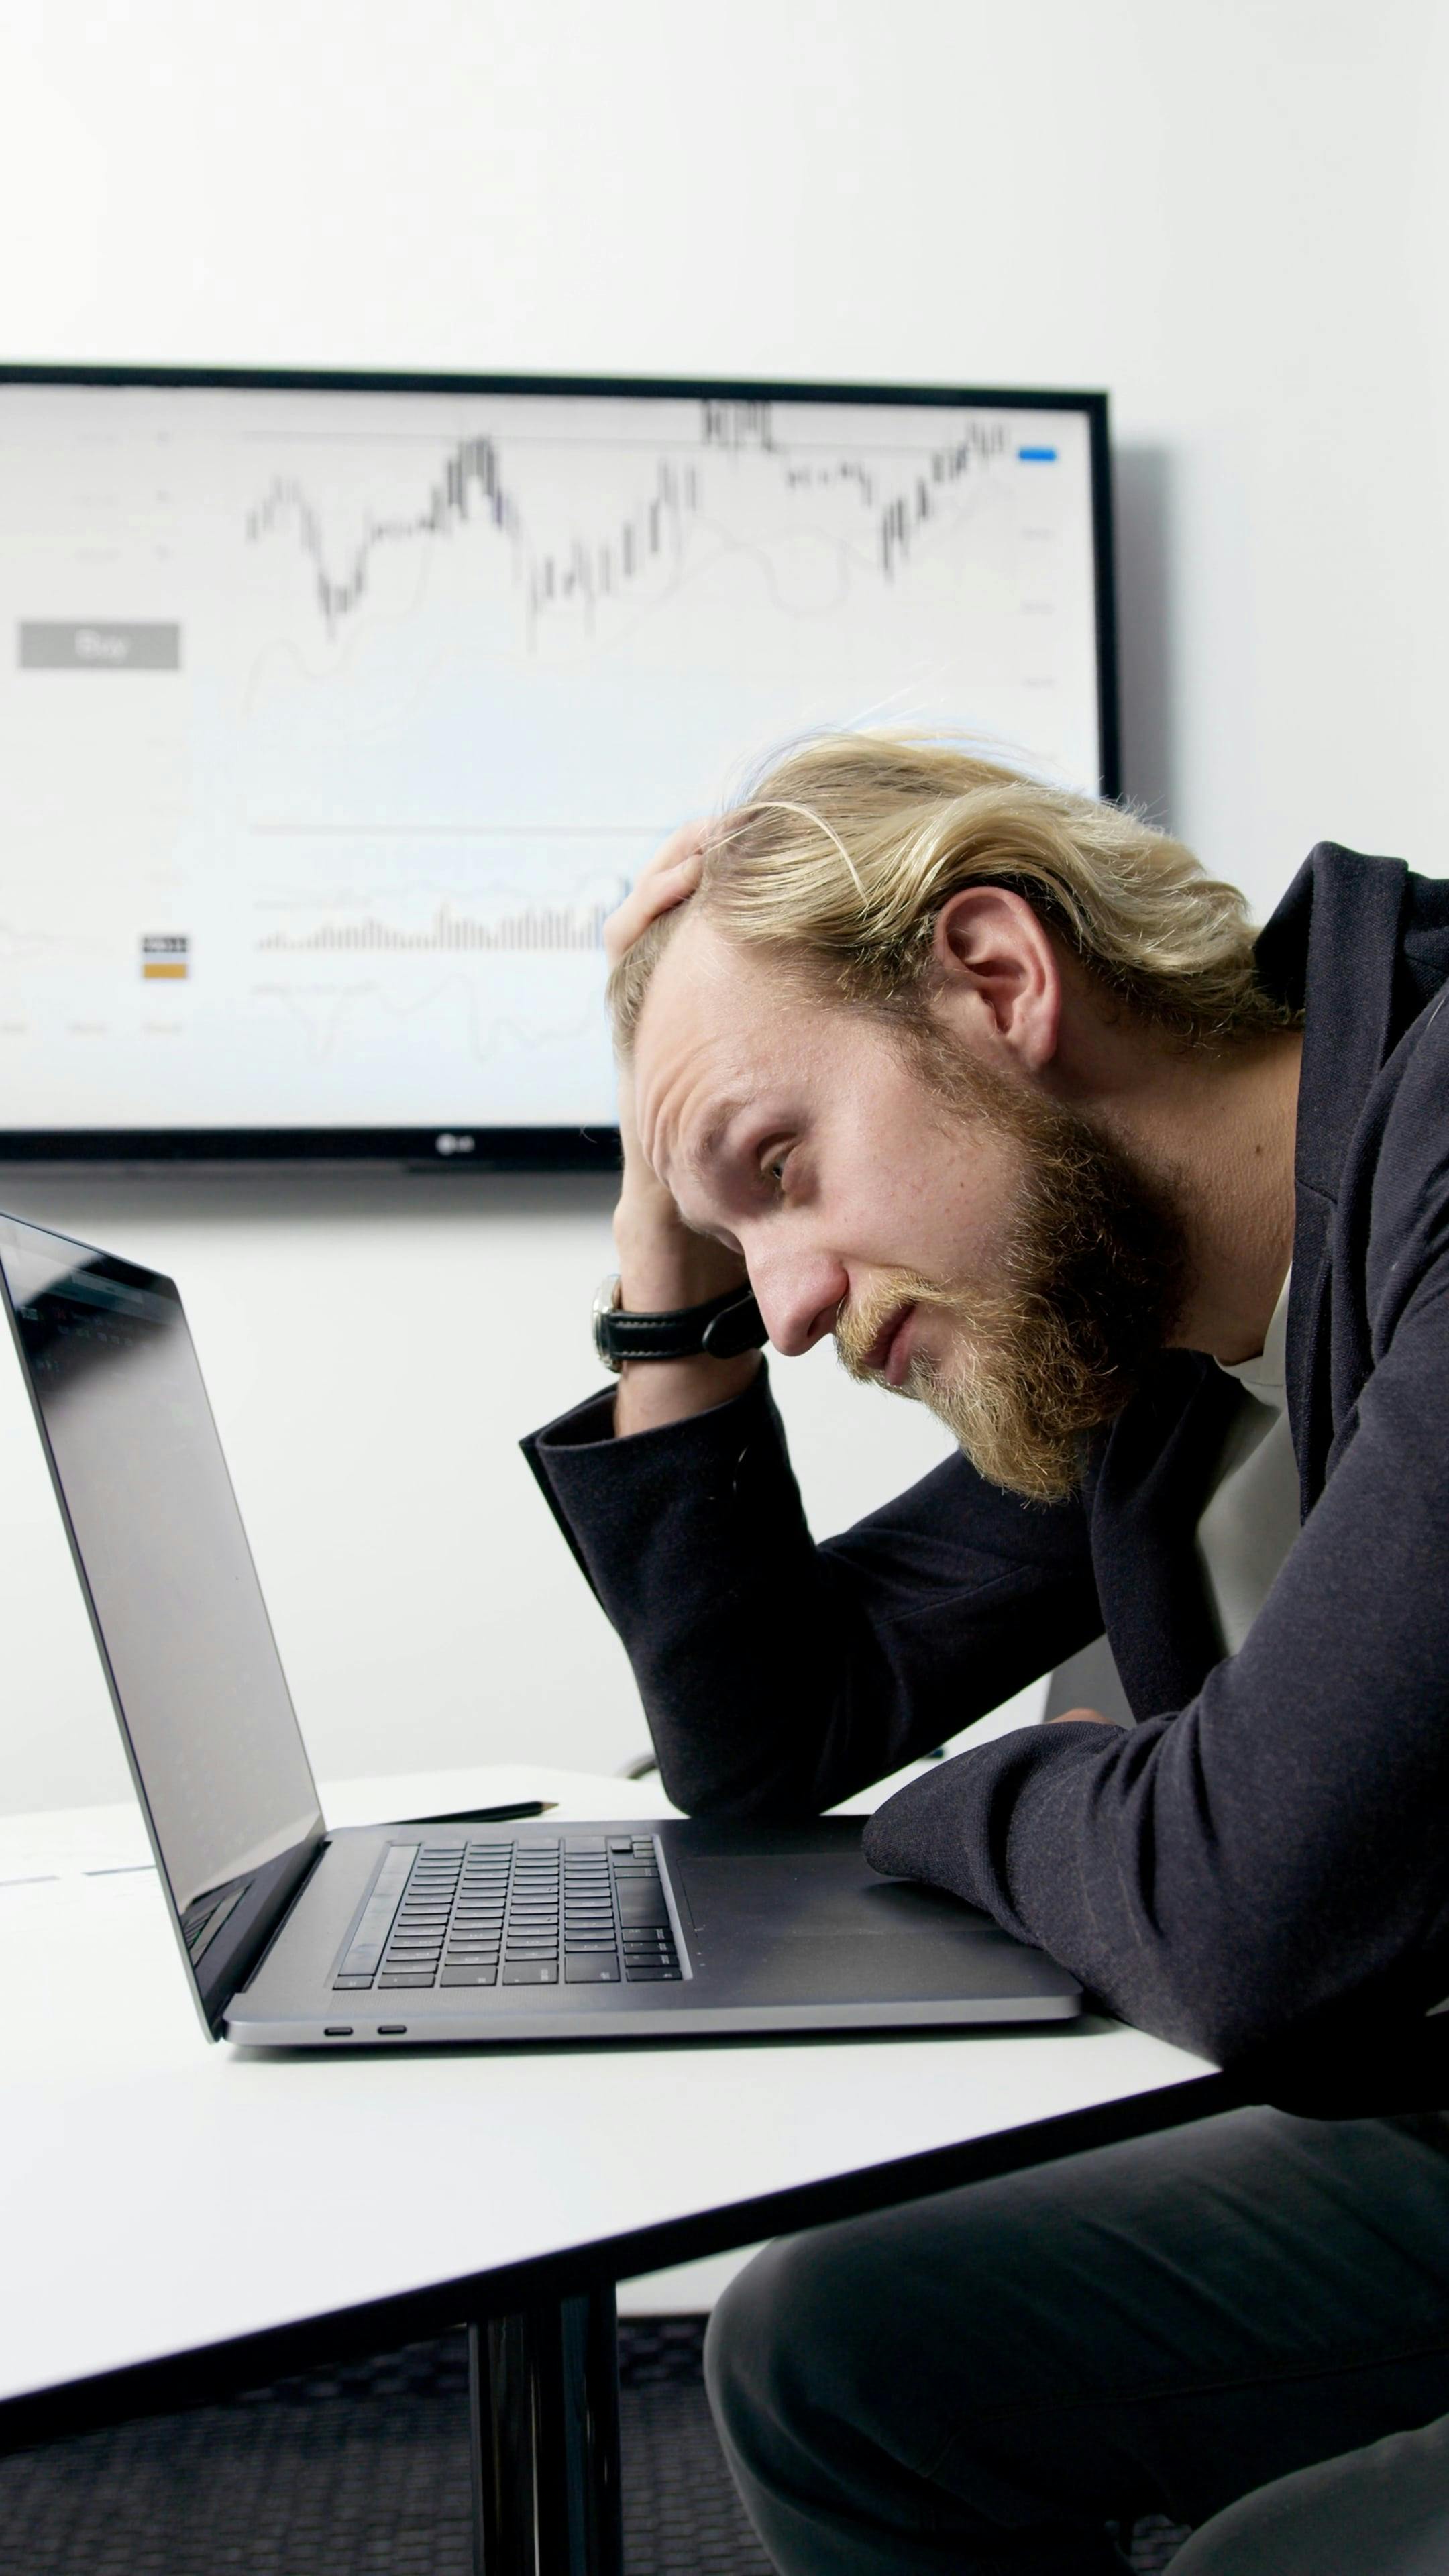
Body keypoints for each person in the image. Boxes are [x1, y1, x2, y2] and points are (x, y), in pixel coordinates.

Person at [521, 733, 1449, 2571]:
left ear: (998, 978)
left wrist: (961, 1803)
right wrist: (662, 1229)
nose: (787, 1313)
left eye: (781, 1164)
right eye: (730, 1234)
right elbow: (768, 1737)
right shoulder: (1148, 1317)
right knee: (831, 2359)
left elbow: (1242, 1912)